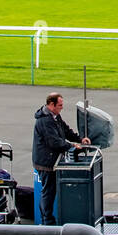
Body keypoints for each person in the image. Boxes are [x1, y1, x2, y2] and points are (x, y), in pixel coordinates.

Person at [32, 92, 90, 226]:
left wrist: (79, 139)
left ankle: (48, 219)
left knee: (50, 191)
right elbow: (54, 142)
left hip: (52, 160)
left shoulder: (55, 116)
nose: (61, 107)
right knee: (48, 192)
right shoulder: (45, 121)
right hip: (45, 163)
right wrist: (72, 146)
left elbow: (65, 130)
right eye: (60, 105)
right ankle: (47, 221)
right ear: (51, 105)